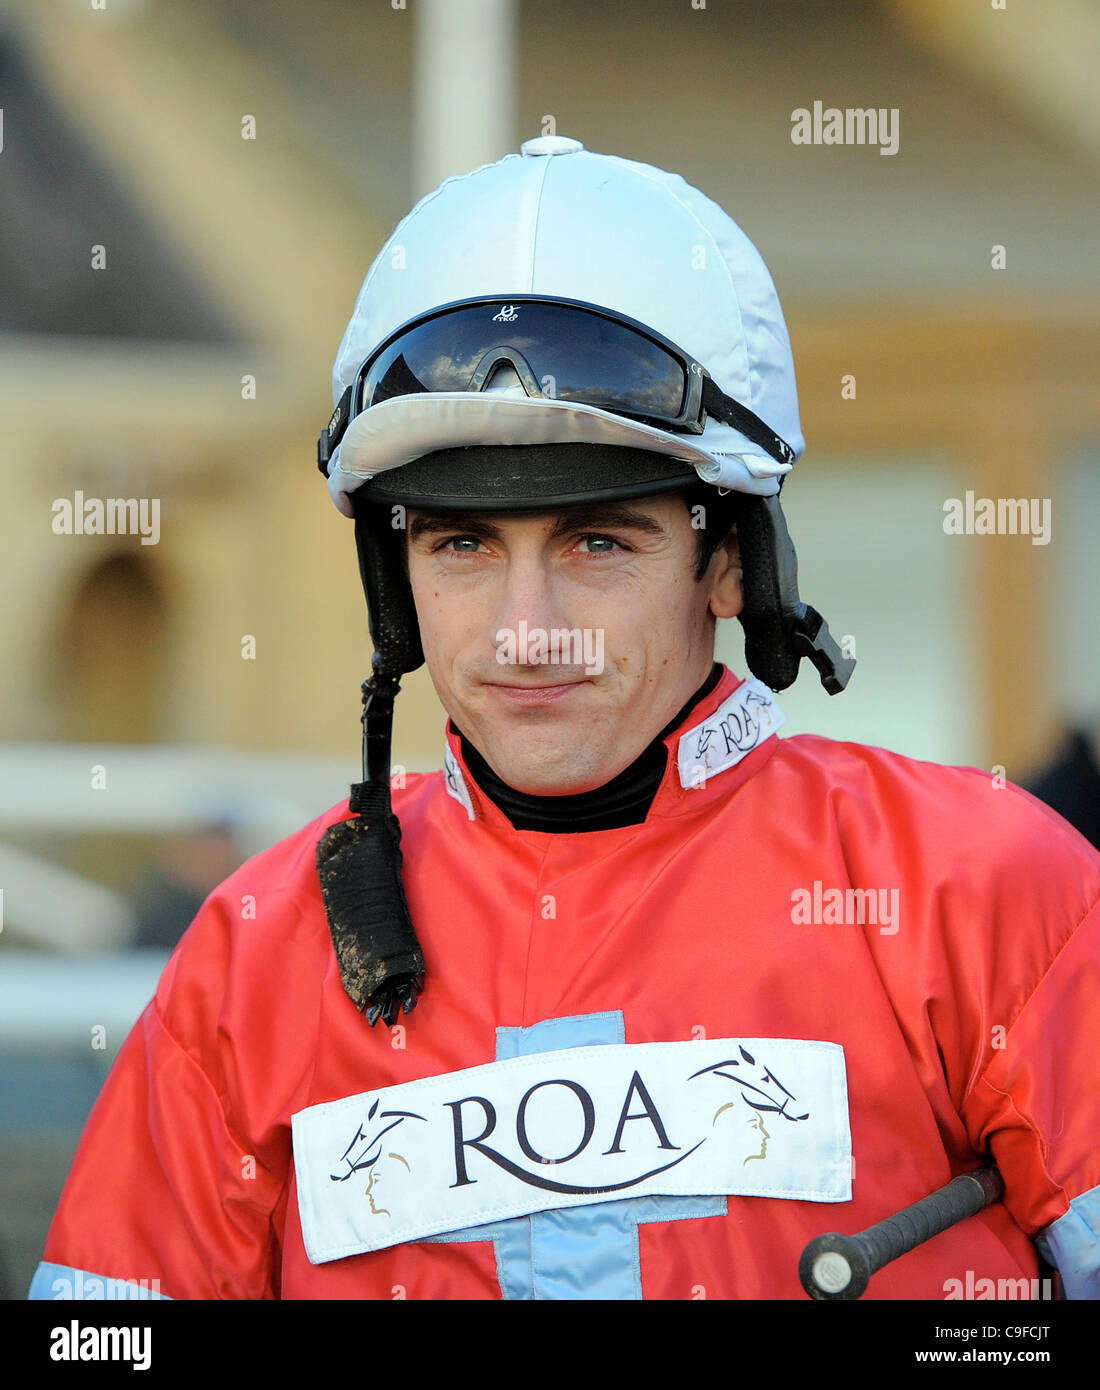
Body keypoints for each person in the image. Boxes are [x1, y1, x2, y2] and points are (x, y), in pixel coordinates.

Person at [31, 137, 1100, 1301]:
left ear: (730, 562)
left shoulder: (989, 892)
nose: (523, 630)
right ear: (398, 591)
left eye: (597, 542)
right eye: (460, 546)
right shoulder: (250, 961)